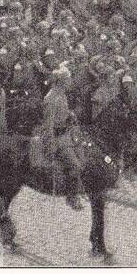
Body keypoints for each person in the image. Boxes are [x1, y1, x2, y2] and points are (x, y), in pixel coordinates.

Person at [39, 66, 85, 210]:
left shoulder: (62, 94)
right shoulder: (51, 99)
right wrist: (50, 145)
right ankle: (71, 197)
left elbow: (62, 114)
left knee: (84, 154)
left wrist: (69, 114)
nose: (70, 81)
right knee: (75, 165)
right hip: (57, 137)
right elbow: (48, 125)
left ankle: (78, 186)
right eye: (68, 79)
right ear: (61, 81)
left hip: (66, 132)